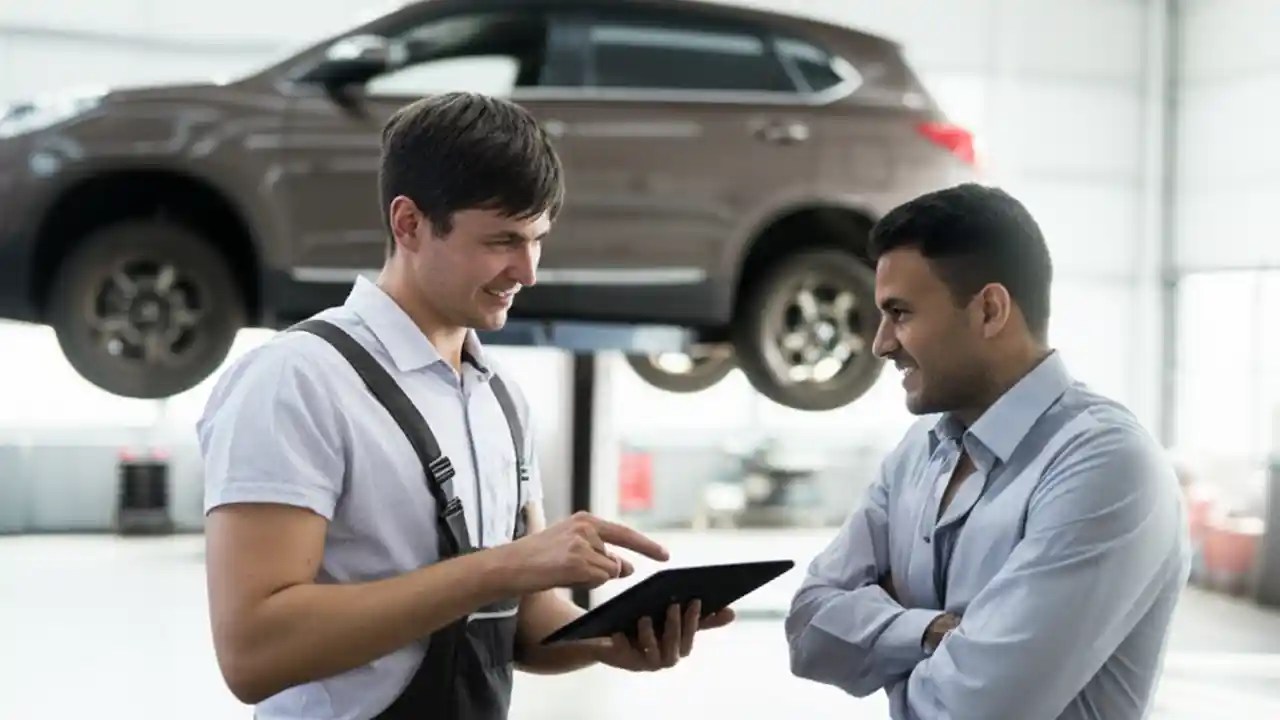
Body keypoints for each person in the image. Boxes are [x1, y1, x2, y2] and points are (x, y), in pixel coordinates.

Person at [196, 92, 733, 720]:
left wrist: (609, 639)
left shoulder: (500, 397)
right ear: (409, 224)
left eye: (538, 239)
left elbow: (524, 620)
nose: (527, 272)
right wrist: (501, 566)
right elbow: (254, 651)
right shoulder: (297, 379)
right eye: (502, 240)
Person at [784, 183, 1191, 719]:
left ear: (990, 311)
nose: (882, 343)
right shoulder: (918, 453)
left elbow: (975, 710)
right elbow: (810, 630)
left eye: (900, 313)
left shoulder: (1105, 465)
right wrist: (932, 632)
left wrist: (881, 629)